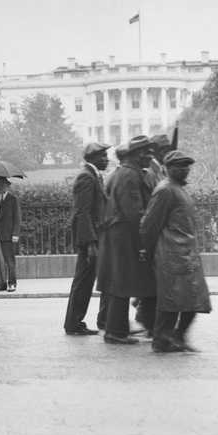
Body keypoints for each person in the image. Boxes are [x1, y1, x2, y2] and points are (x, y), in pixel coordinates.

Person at [140, 151, 212, 353]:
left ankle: (178, 336)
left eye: (186, 166)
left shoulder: (178, 189)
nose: (184, 169)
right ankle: (162, 340)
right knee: (171, 300)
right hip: (171, 253)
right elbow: (150, 224)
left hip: (186, 252)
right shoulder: (165, 190)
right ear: (167, 169)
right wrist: (147, 250)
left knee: (193, 299)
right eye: (179, 166)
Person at [97, 135, 155, 344]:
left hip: (121, 235)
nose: (150, 157)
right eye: (147, 153)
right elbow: (134, 212)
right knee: (122, 285)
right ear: (137, 154)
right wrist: (143, 242)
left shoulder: (126, 172)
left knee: (121, 284)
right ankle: (115, 332)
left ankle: (118, 329)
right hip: (125, 237)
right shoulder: (130, 175)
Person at [65, 142, 108, 336]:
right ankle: (73, 324)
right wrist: (90, 243)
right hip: (89, 240)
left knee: (85, 282)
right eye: (103, 156)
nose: (106, 159)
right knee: (83, 282)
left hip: (93, 237)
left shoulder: (93, 175)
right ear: (92, 158)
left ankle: (75, 322)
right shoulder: (87, 177)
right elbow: (82, 212)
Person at [0, 176, 21, 293]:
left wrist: (15, 234)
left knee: (10, 261)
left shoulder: (13, 199)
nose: (0, 187)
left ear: (7, 186)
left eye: (2, 185)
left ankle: (12, 283)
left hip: (8, 235)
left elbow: (17, 217)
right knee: (0, 262)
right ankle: (2, 284)